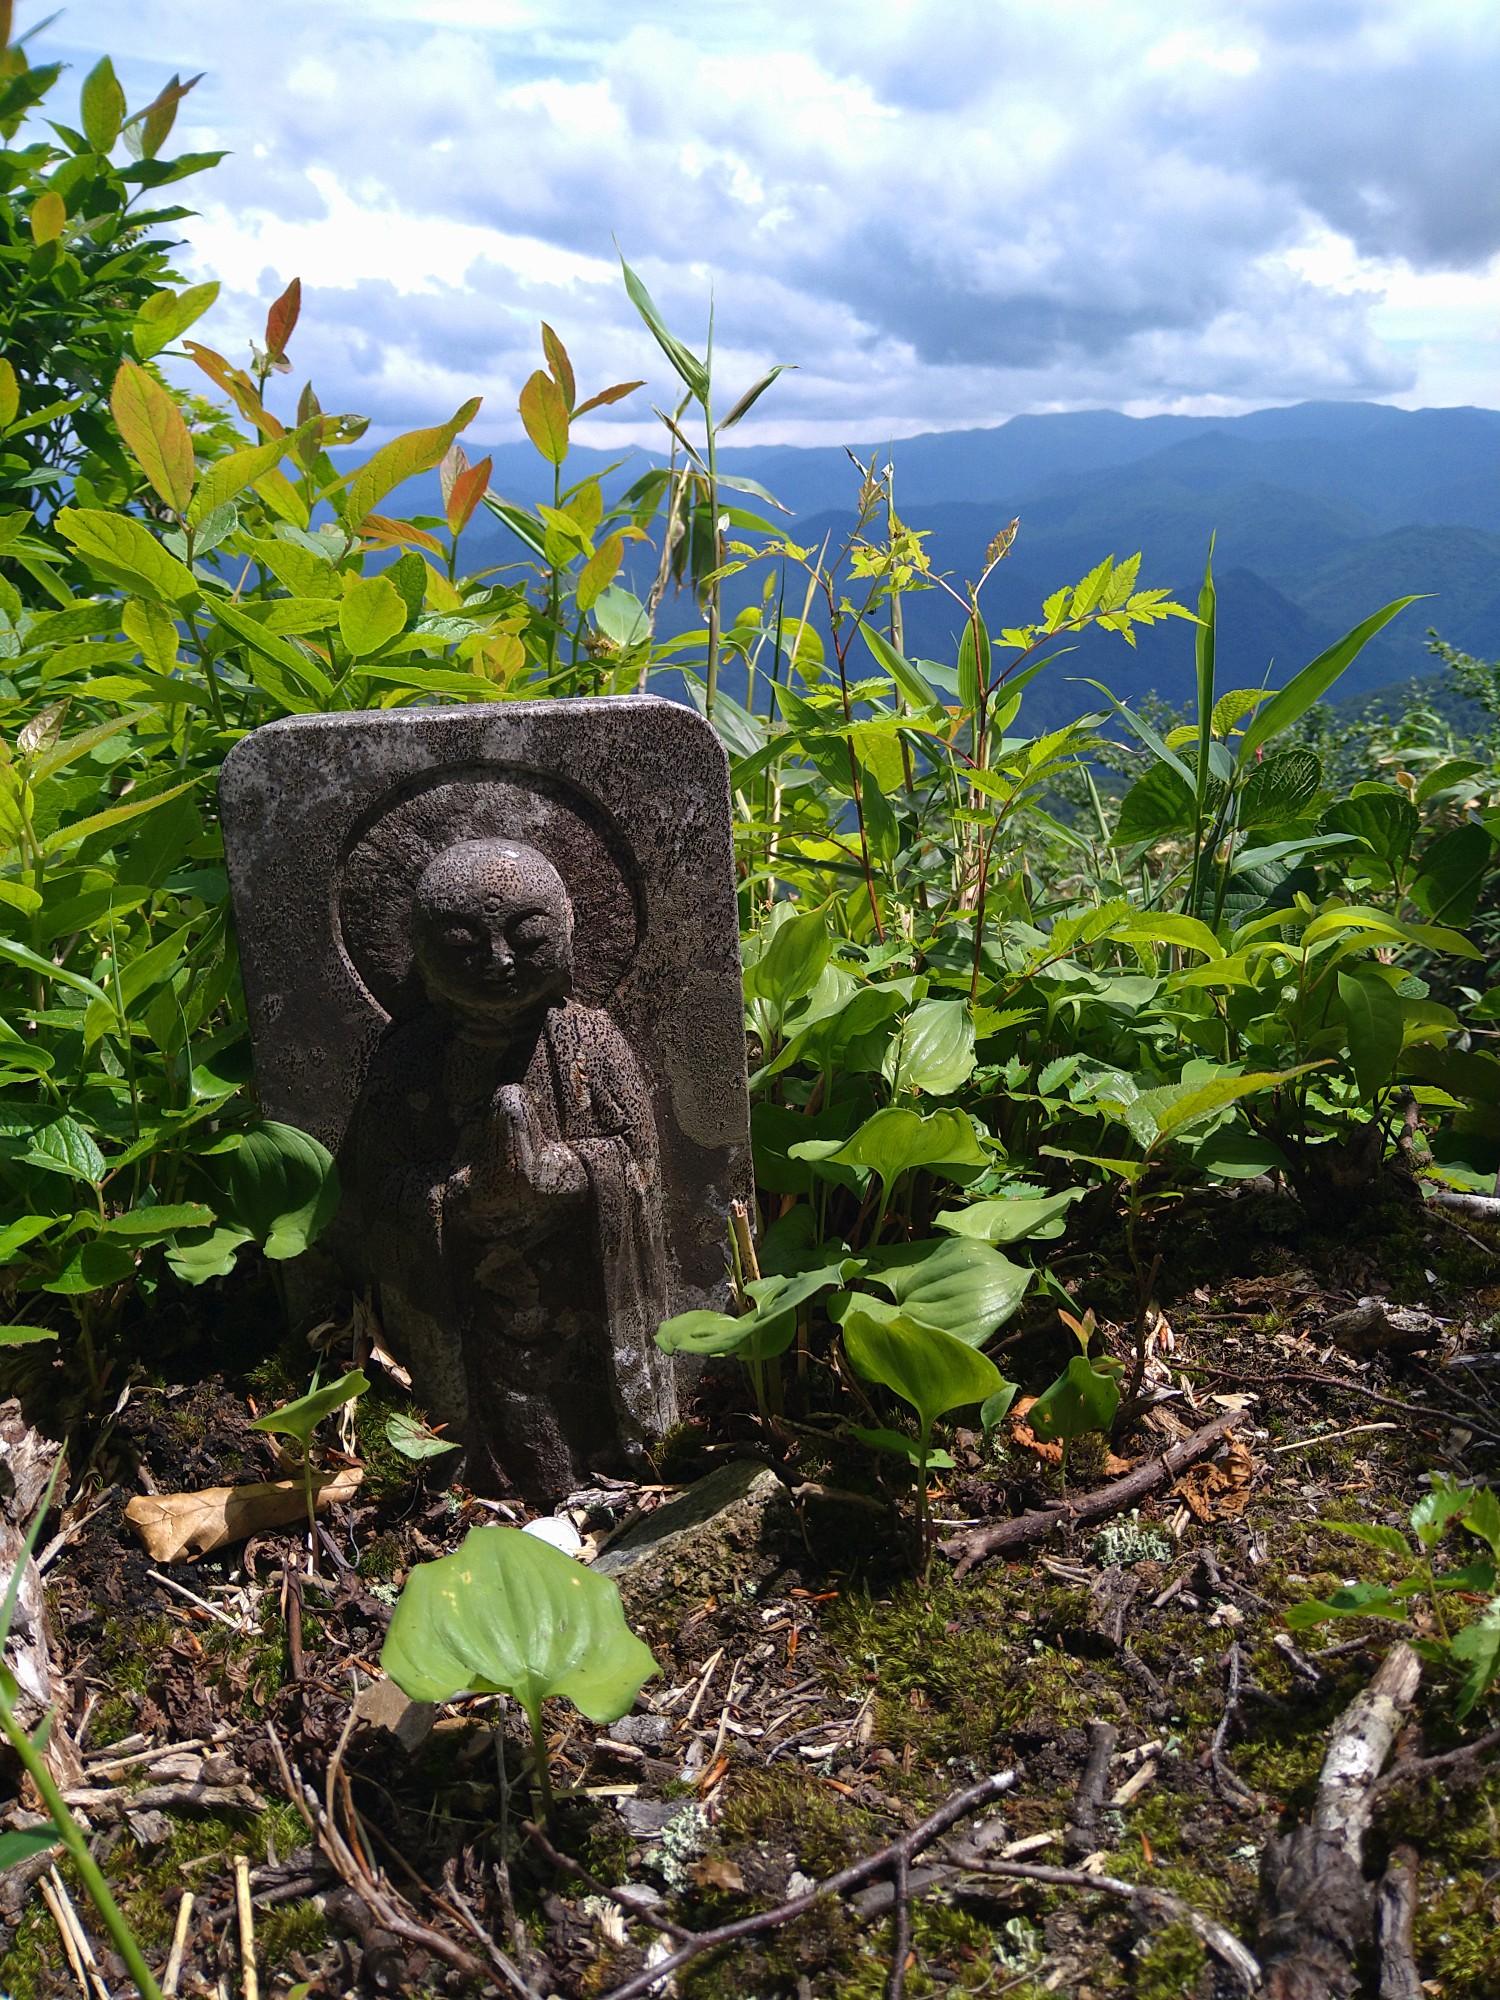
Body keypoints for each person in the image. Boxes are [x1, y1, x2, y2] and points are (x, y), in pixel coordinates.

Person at [343, 837, 672, 1496]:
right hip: (470, 1298)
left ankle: (611, 1466)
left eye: (527, 937)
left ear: (569, 938)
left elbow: (638, 1161)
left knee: (578, 1401)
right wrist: (457, 1195)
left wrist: (570, 1176)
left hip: (577, 1292)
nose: (498, 961)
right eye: (465, 945)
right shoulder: (410, 1055)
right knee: (495, 1409)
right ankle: (476, 1476)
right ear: (424, 955)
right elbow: (374, 1183)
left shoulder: (589, 1040)